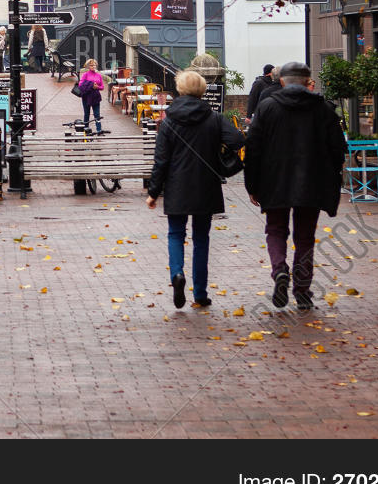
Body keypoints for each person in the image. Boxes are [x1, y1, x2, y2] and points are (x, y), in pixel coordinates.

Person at [243, 60, 347, 309]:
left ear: (282, 81)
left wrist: (252, 184)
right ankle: (302, 290)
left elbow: (254, 148)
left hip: (274, 180)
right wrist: (331, 179)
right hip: (312, 182)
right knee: (305, 237)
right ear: (308, 81)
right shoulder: (323, 109)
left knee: (276, 229)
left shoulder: (267, 108)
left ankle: (280, 270)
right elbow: (338, 150)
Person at [146, 70, 245, 309]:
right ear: (202, 91)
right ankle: (200, 293)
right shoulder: (214, 118)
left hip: (177, 186)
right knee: (202, 238)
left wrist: (153, 192)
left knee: (176, 234)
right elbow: (238, 141)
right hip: (206, 185)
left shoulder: (169, 121)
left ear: (180, 90)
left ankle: (177, 274)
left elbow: (161, 160)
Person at [76, 58, 106, 134]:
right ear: (88, 66)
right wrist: (91, 84)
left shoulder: (99, 75)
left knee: (97, 114)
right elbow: (80, 84)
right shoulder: (85, 75)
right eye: (91, 65)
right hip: (86, 97)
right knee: (86, 113)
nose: (93, 66)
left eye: (94, 65)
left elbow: (102, 87)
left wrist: (97, 87)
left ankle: (99, 130)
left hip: (95, 97)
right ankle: (86, 129)